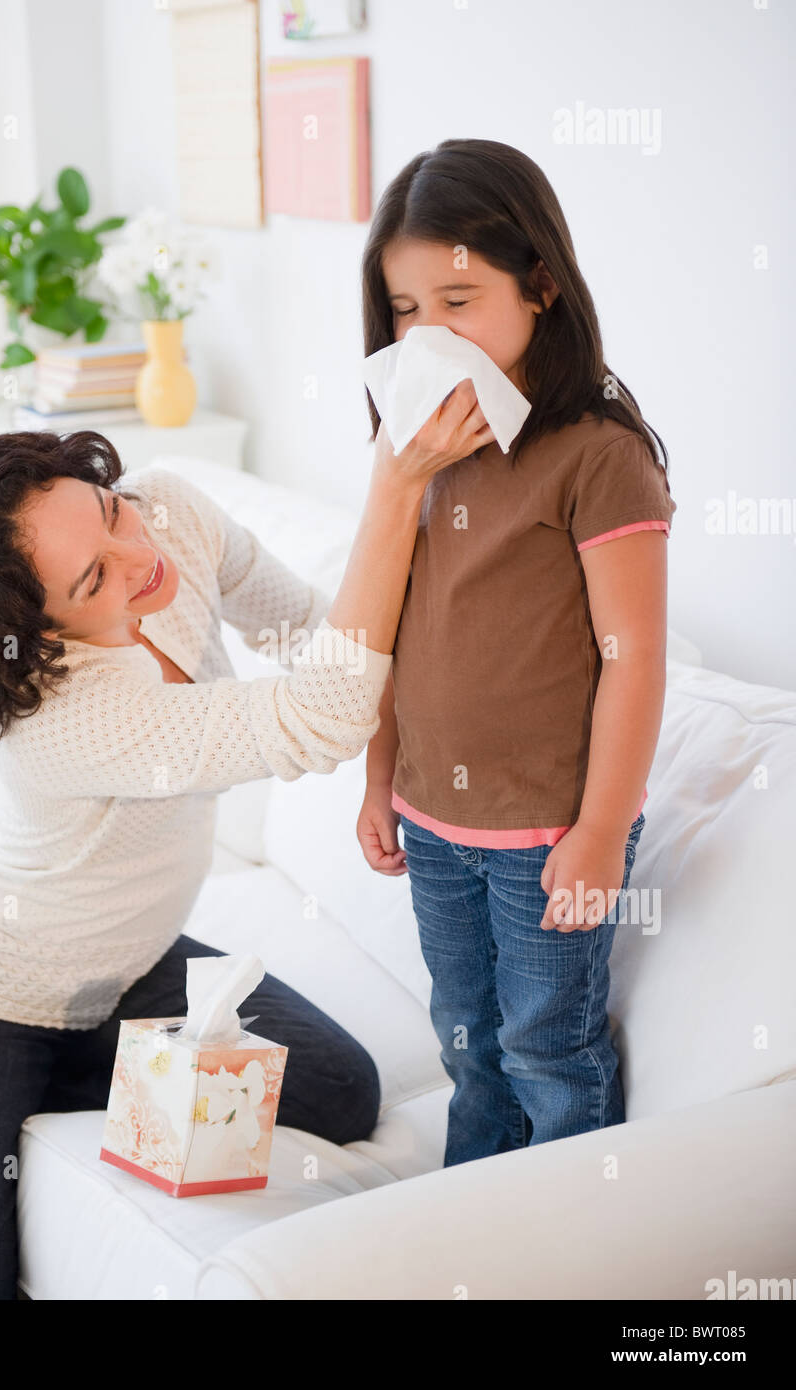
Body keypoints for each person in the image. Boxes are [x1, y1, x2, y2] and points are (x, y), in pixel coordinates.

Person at [0, 401, 493, 1299]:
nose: (142, 560)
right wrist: (396, 480)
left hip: (121, 970)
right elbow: (321, 715)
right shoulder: (67, 714)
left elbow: (309, 634)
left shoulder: (171, 513)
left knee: (339, 1092)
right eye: (94, 581)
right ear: (38, 640)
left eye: (111, 513)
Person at [356, 138, 676, 1166]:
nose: (426, 334)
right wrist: (377, 777)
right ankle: (472, 1217)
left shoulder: (597, 456)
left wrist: (596, 831)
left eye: (457, 300)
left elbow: (633, 659)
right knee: (467, 1042)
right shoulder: (415, 452)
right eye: (405, 310)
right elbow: (390, 630)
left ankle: (567, 1242)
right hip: (432, 824)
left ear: (537, 285)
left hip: (547, 836)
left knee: (546, 1046)